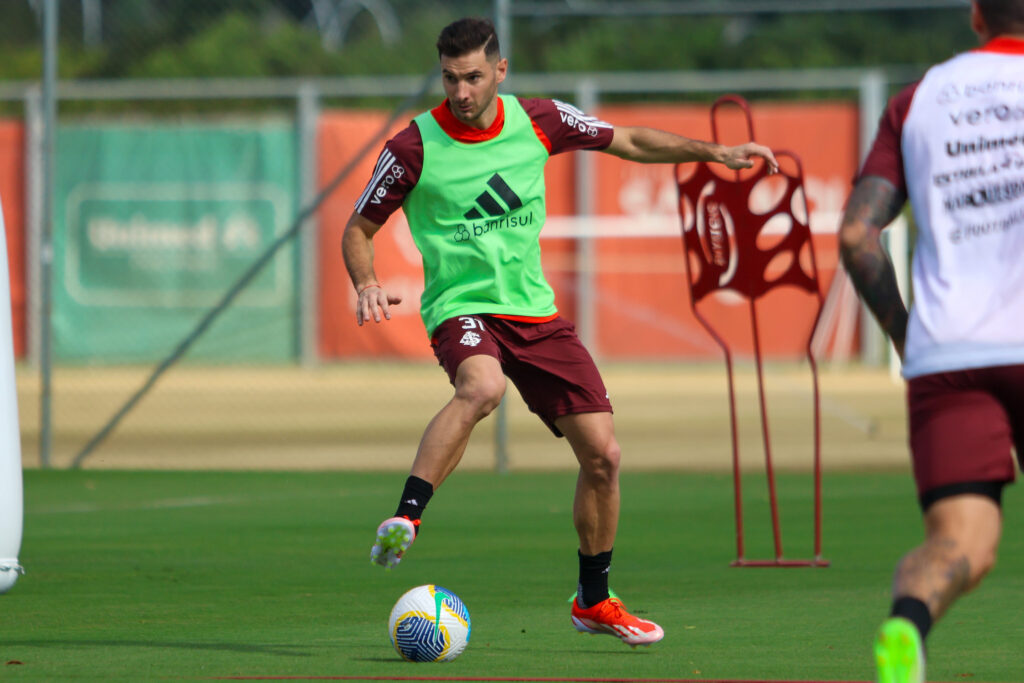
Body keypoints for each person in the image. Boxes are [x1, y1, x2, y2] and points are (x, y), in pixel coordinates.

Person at [342, 16, 779, 649]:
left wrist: (715, 153)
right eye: (448, 79)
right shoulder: (414, 147)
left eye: (471, 78)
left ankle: (593, 601)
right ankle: (406, 518)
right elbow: (358, 228)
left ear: (499, 71)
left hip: (535, 315)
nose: (460, 93)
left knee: (604, 456)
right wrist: (366, 282)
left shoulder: (539, 119)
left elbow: (627, 140)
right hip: (462, 308)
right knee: (482, 385)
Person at [838, 1, 1024, 680]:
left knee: (961, 541)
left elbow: (858, 237)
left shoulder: (921, 98)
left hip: (949, 353)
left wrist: (909, 337)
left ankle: (907, 625)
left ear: (977, 16)